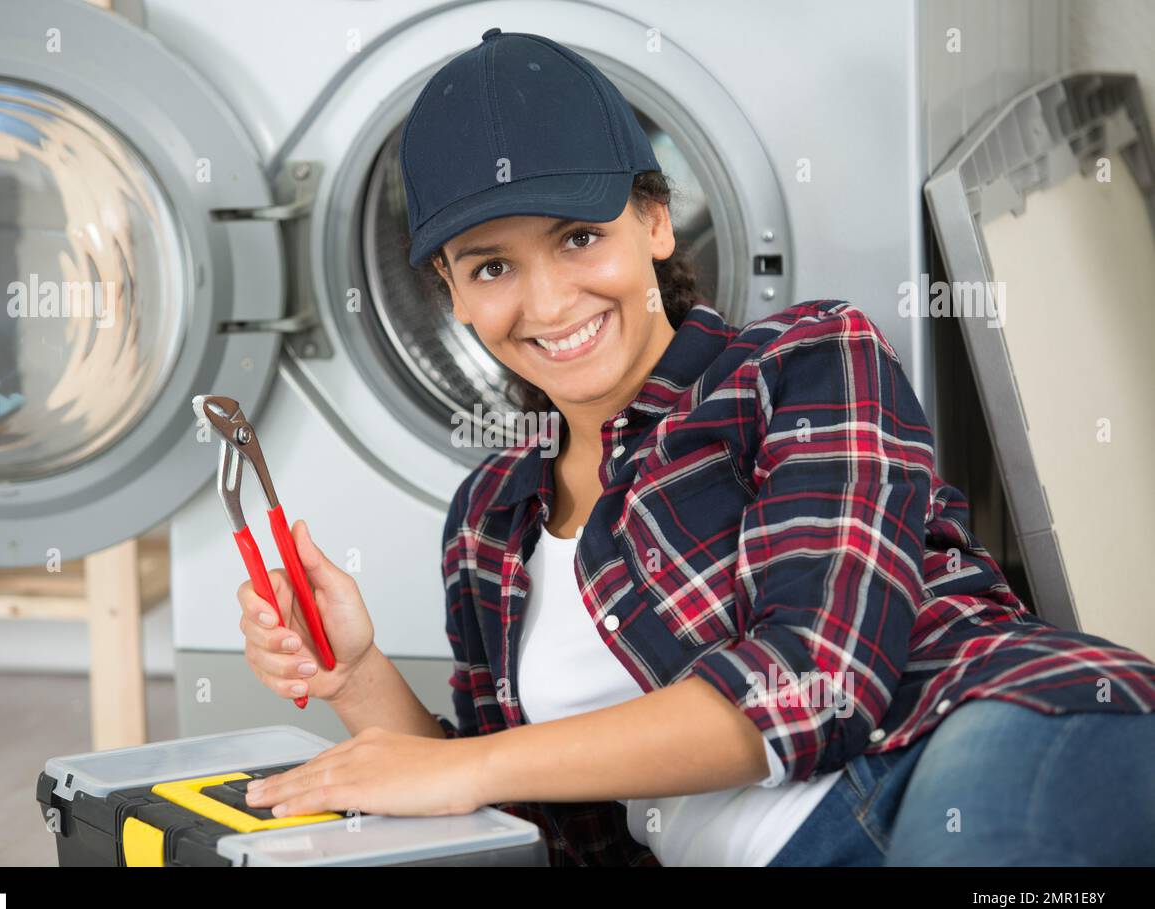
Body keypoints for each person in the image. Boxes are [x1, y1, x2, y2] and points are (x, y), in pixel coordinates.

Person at [234, 28, 1155, 866]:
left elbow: (812, 680)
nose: (548, 303)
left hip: (980, 744)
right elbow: (521, 827)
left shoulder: (805, 363)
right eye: (491, 266)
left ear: (656, 223)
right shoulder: (488, 524)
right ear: (451, 291)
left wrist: (472, 768)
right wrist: (357, 676)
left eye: (580, 237)